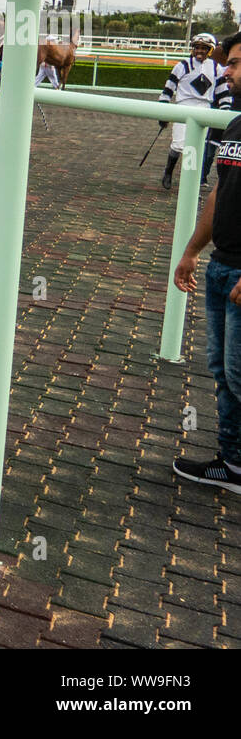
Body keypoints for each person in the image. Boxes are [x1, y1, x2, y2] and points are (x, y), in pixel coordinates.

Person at [173, 30, 241, 493]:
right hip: (221, 264)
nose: (227, 70)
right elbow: (221, 191)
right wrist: (193, 250)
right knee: (224, 372)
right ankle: (233, 464)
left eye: (234, 63)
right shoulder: (236, 124)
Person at [157, 32, 227, 191]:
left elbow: (223, 93)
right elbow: (168, 90)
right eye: (197, 48)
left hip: (205, 110)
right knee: (179, 143)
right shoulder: (182, 65)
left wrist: (225, 112)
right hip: (184, 107)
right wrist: (162, 112)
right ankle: (168, 171)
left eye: (204, 48)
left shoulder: (217, 68)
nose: (200, 51)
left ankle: (189, 183)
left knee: (197, 147)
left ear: (211, 50)